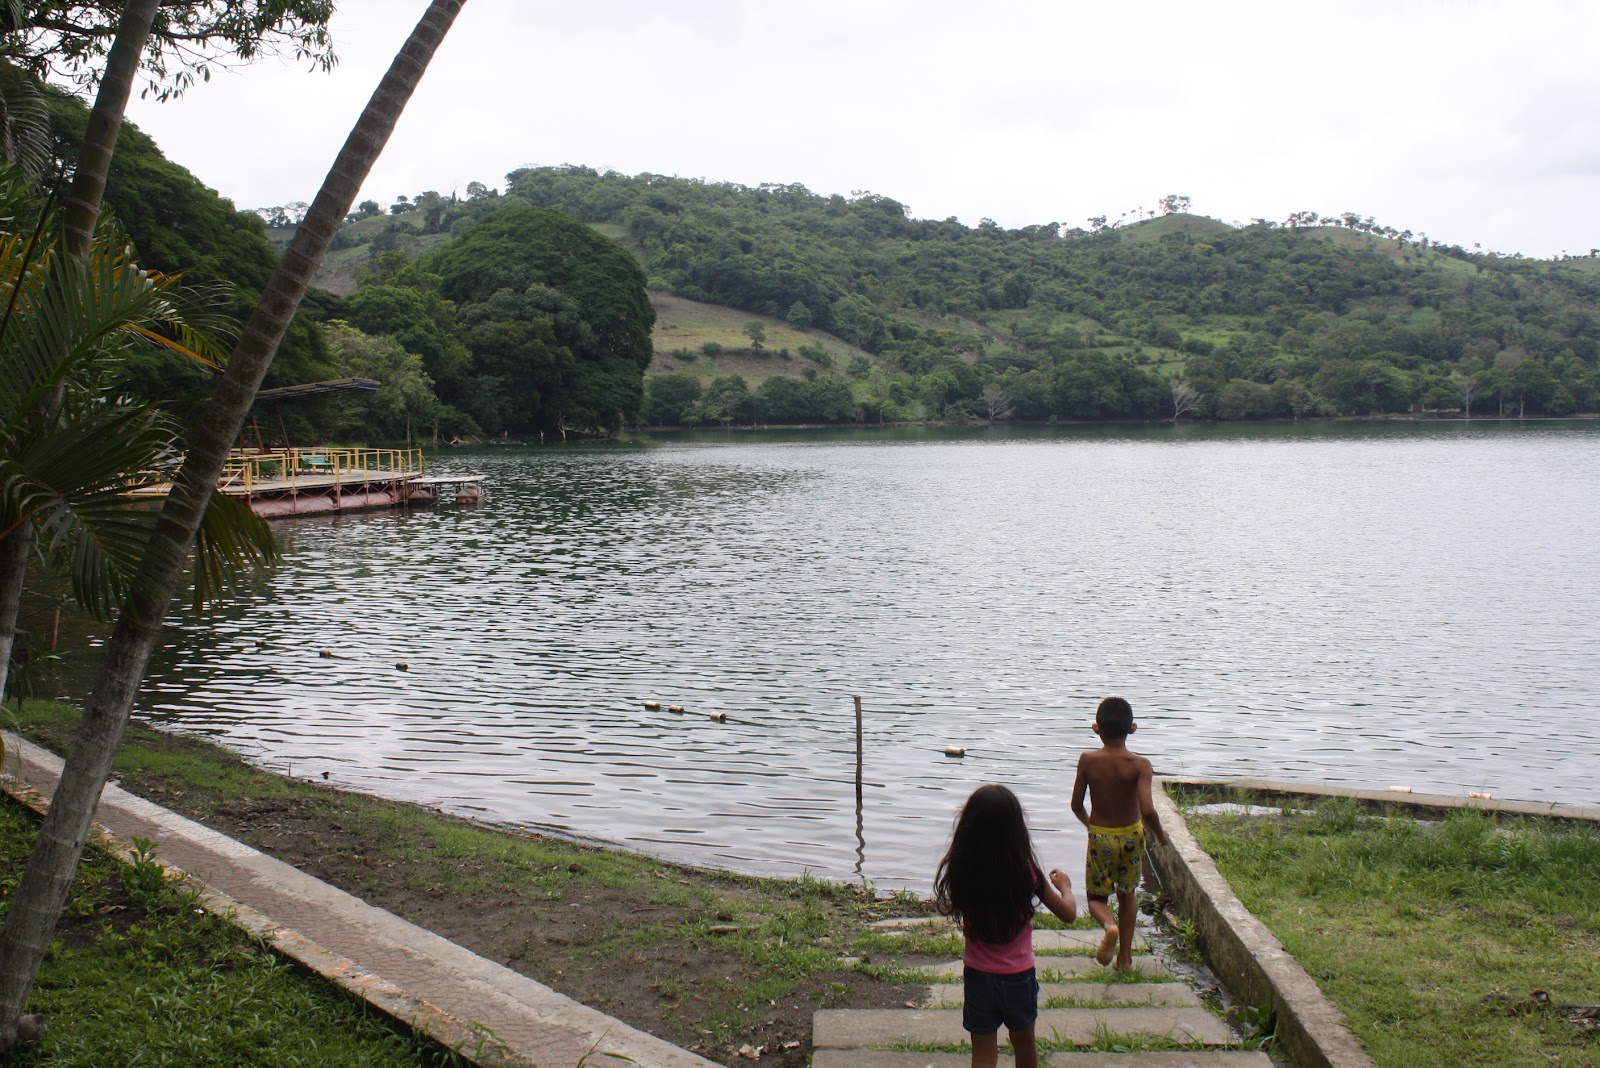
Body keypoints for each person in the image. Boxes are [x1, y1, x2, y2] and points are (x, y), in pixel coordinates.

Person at [934, 784, 1078, 1068]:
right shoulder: (1026, 872)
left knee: (984, 1053)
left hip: (978, 976)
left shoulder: (965, 869)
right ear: (1016, 830)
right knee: (1024, 1044)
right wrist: (1066, 887)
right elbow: (1068, 914)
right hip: (1018, 976)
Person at [1070, 695, 1169, 972]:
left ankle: (1109, 926)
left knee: (1096, 898)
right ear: (1133, 728)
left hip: (1101, 834)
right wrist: (1160, 834)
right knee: (1127, 894)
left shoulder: (1088, 760)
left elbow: (1076, 805)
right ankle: (1125, 959)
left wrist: (1091, 826)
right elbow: (1148, 810)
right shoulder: (1141, 765)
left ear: (1096, 728)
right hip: (1131, 836)